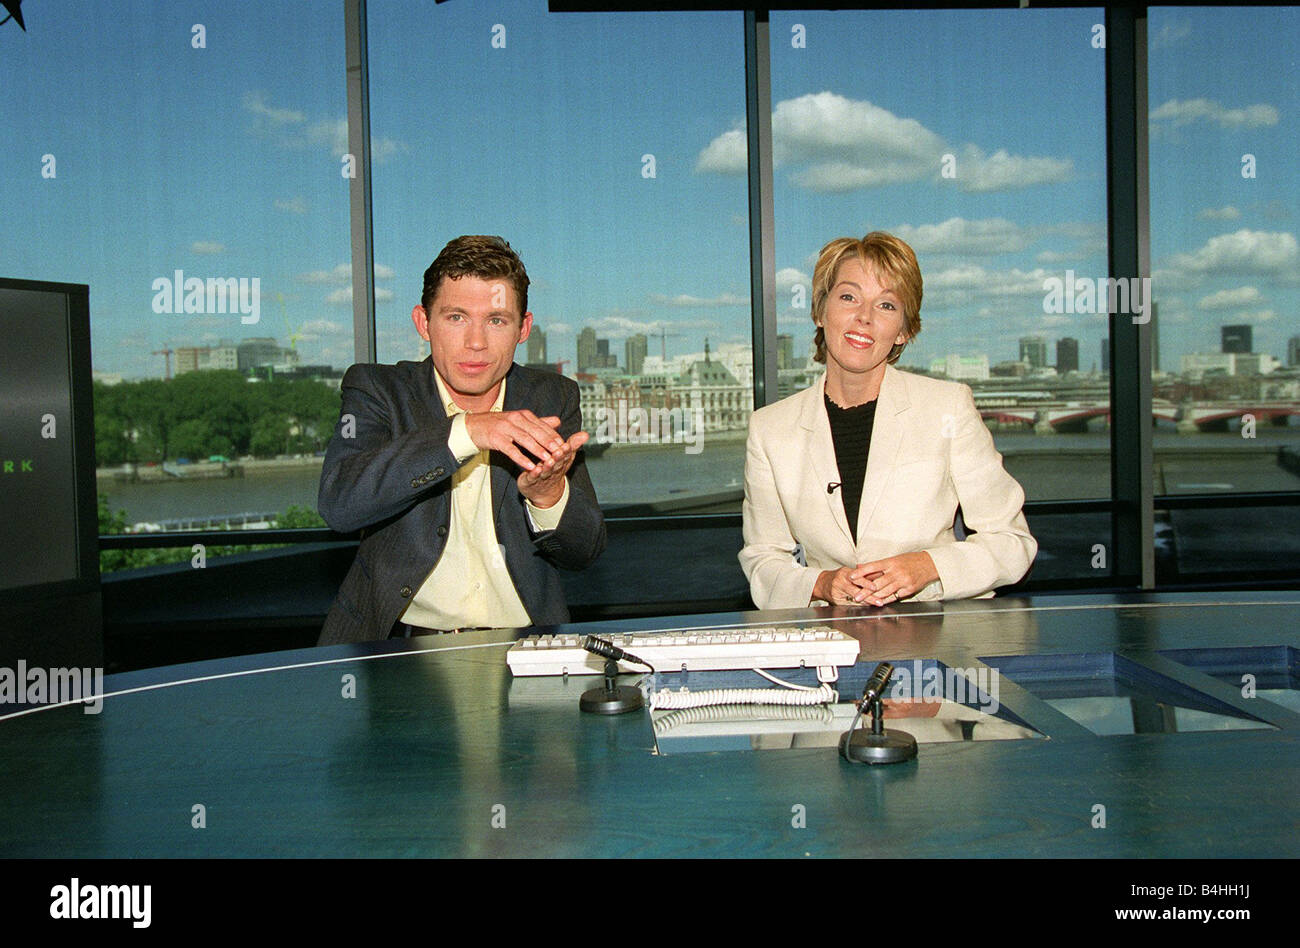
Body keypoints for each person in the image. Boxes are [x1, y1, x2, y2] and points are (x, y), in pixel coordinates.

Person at [317, 235, 606, 645]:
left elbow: (584, 552)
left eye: (496, 320)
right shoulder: (379, 390)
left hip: (525, 652)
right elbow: (340, 504)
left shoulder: (552, 398)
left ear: (523, 328)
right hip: (396, 655)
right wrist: (468, 432)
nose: (476, 342)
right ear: (423, 323)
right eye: (456, 317)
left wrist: (549, 496)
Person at [739, 232, 1035, 610]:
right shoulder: (770, 429)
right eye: (848, 297)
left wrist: (927, 567)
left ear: (904, 331)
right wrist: (821, 584)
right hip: (831, 642)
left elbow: (1012, 541)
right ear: (819, 310)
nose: (864, 317)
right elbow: (763, 558)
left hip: (937, 633)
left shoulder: (948, 407)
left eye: (887, 305)